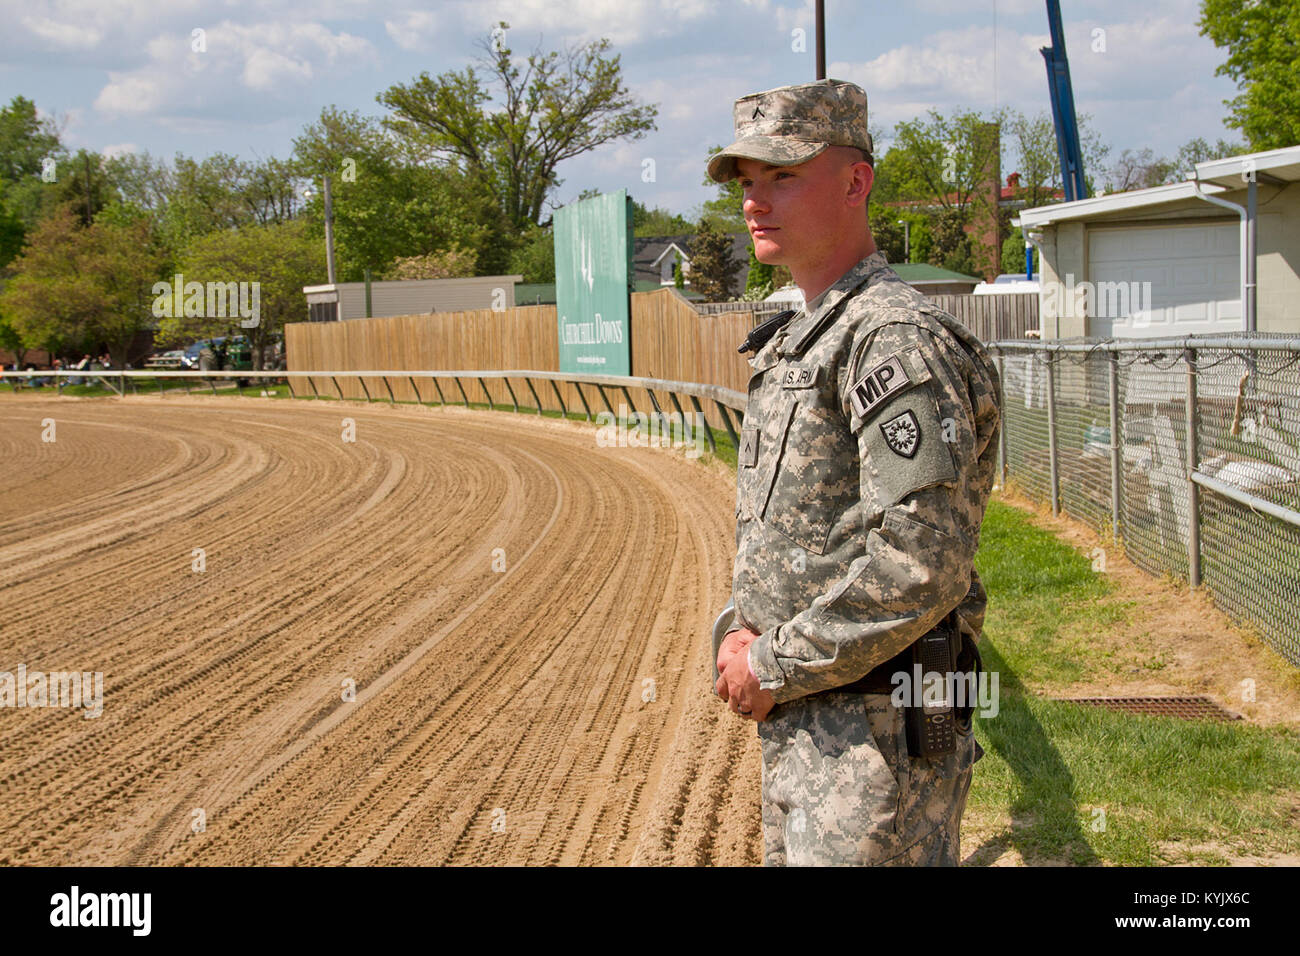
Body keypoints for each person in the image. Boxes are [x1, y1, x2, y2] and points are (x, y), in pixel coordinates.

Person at [709, 78, 1002, 866]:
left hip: (878, 737)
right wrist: (742, 627)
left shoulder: (890, 340)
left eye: (783, 176)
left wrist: (771, 661)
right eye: (747, 182)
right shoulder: (807, 335)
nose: (754, 202)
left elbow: (921, 559)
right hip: (819, 721)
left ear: (855, 182)